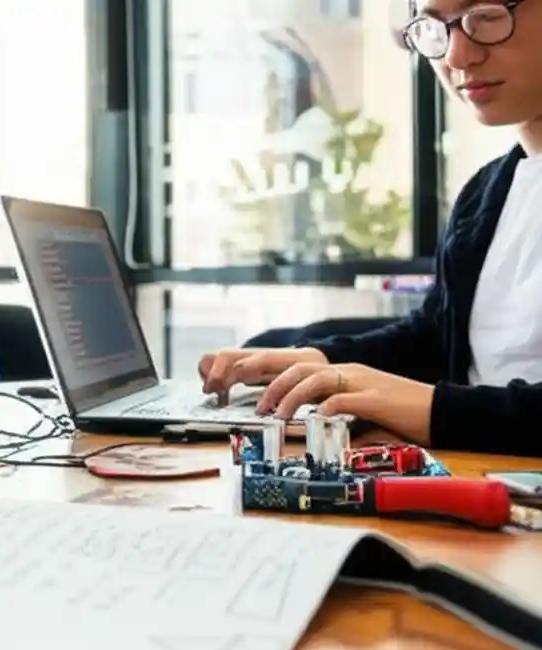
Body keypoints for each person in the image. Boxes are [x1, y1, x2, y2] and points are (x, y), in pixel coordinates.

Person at [199, 0, 542, 456]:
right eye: (435, 28)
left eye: (488, 18)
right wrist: (321, 361)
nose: (457, 57)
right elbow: (435, 338)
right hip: (477, 477)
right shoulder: (486, 193)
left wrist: (425, 408)